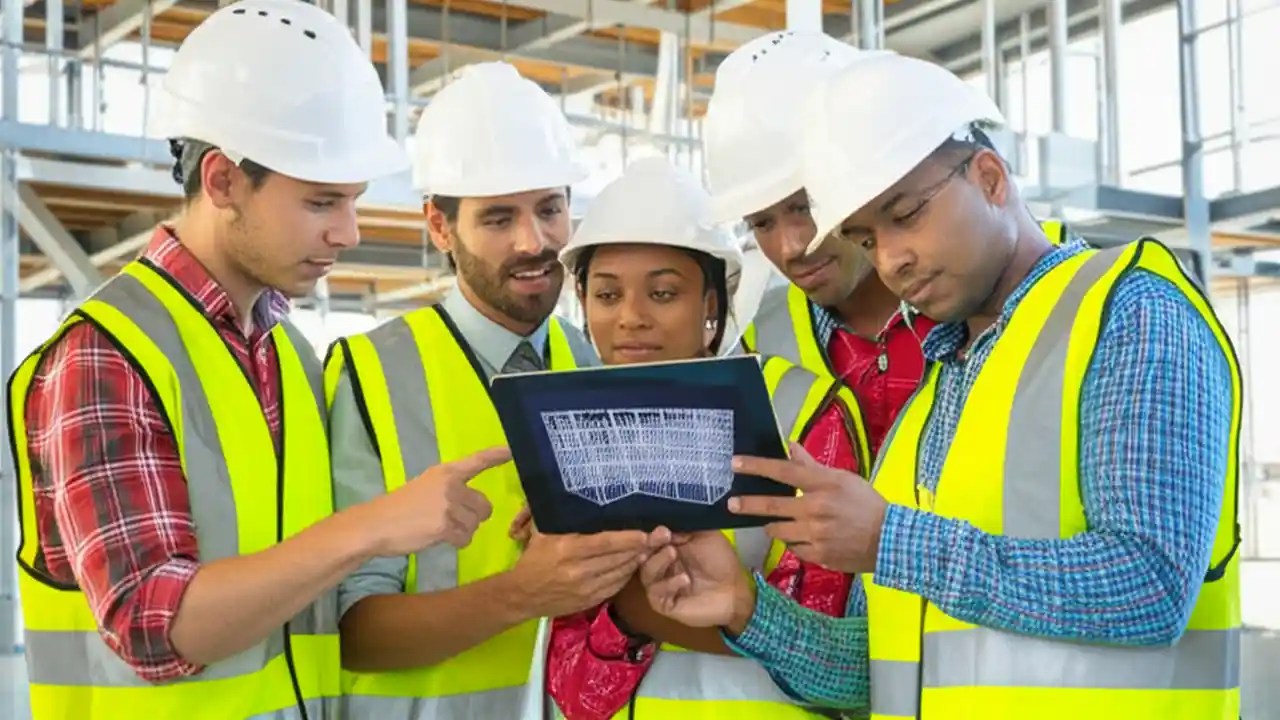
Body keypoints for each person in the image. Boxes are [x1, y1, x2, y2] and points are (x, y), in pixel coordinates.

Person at [639, 51, 1242, 720]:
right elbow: (879, 670)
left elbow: (1150, 587)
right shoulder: (938, 390)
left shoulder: (1129, 312)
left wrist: (890, 541)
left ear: (988, 178)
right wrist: (748, 610)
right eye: (867, 238)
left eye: (908, 214)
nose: (891, 258)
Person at [7, 2, 511, 719]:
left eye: (354, 201)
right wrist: (375, 526)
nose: (349, 232)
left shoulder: (290, 357)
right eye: (321, 202)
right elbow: (156, 626)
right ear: (221, 181)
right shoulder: (106, 357)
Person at [324, 62, 668, 720]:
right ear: (439, 226)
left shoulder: (602, 366)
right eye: (499, 218)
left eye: (549, 209)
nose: (533, 242)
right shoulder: (368, 374)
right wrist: (524, 592)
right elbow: (352, 631)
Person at [537, 157, 870, 719]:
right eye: (608, 295)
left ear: (711, 304)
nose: (631, 319)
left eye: (663, 294)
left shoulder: (800, 409)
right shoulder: (573, 426)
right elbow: (572, 689)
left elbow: (835, 653)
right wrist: (623, 611)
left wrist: (629, 603)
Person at [702, 31, 937, 456]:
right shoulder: (756, 346)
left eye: (805, 207)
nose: (790, 247)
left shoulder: (980, 298)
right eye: (761, 222)